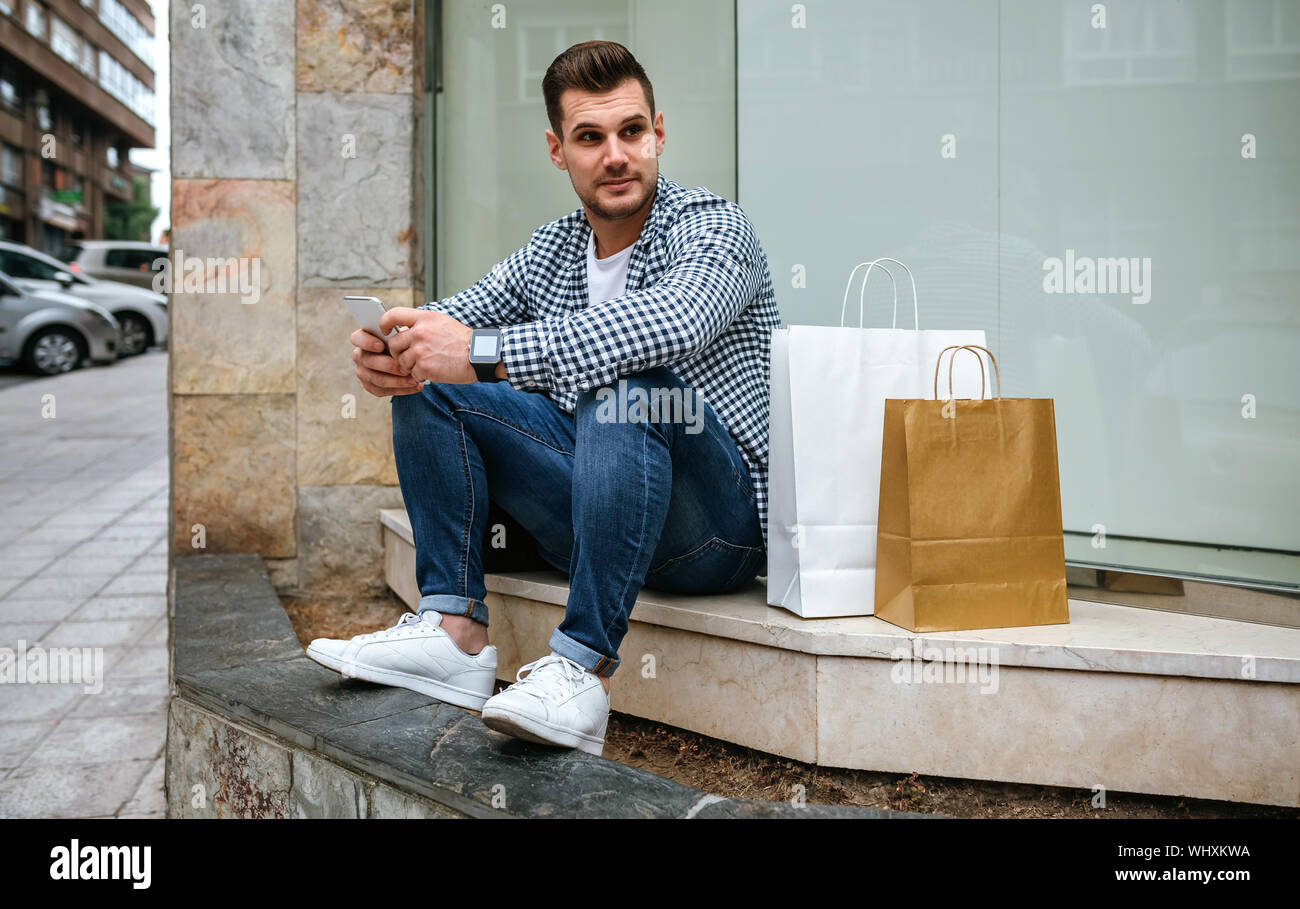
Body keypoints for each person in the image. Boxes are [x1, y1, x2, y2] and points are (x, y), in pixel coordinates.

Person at [307, 40, 781, 757]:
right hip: (599, 507)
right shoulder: (553, 250)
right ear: (560, 151)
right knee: (437, 382)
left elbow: (673, 321)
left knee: (627, 382)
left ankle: (583, 670)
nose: (616, 155)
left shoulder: (714, 228)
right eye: (591, 138)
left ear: (659, 132)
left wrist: (480, 352)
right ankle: (454, 634)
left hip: (714, 529)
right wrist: (396, 346)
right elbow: (455, 322)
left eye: (631, 132)